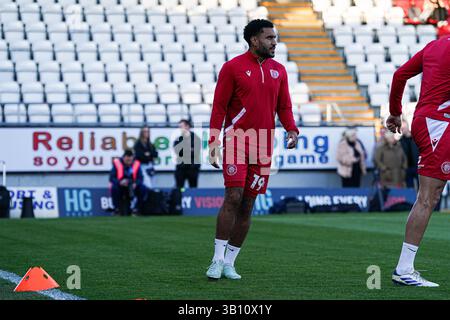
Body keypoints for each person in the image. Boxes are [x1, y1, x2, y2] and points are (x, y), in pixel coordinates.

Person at [206, 19, 299, 280]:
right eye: (269, 38)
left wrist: (292, 129)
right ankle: (216, 260)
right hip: (236, 140)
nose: (274, 42)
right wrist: (213, 141)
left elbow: (285, 106)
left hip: (264, 144)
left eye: (275, 37)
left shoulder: (279, 70)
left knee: (248, 204)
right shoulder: (232, 68)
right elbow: (219, 108)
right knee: (233, 197)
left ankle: (229, 263)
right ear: (254, 40)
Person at [386, 35, 450, 286]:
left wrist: (395, 112)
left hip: (432, 120)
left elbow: (399, 75)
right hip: (438, 124)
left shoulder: (435, 45)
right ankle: (403, 269)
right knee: (428, 197)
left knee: (429, 196)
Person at [109, 149, 145, 216]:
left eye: (130, 160)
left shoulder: (136, 164)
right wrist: (120, 182)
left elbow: (140, 178)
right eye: (127, 160)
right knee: (114, 188)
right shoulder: (117, 163)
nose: (129, 162)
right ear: (124, 157)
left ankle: (137, 209)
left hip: (133, 185)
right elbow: (112, 178)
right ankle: (117, 209)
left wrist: (136, 183)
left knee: (143, 189)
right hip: (121, 185)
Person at [173, 119, 201, 188]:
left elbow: (195, 152)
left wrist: (184, 150)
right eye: (179, 127)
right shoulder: (178, 139)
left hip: (192, 167)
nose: (180, 129)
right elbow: (178, 151)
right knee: (179, 188)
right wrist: (189, 149)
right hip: (181, 167)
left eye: (181, 126)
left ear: (187, 126)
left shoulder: (196, 138)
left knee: (193, 188)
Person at [399, 120, 420, 189]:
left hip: (417, 166)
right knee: (409, 188)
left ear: (408, 127)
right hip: (407, 167)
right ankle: (412, 200)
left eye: (403, 128)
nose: (402, 130)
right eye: (401, 128)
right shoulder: (400, 141)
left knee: (421, 187)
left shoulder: (416, 137)